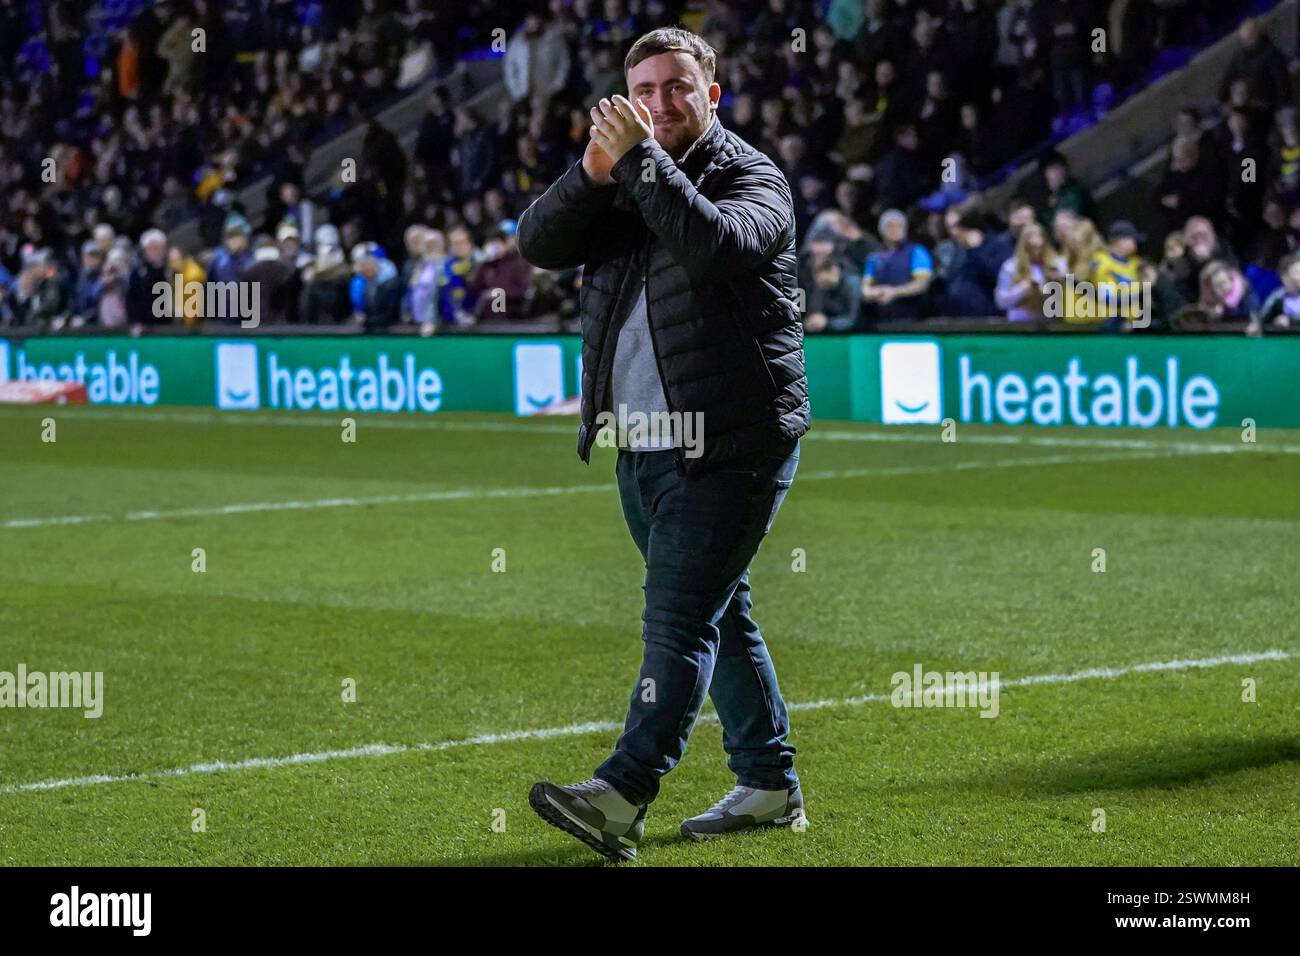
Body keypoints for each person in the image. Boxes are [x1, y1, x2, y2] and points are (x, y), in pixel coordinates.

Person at [517, 27, 809, 861]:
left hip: (734, 442)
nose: (660, 102)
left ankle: (623, 793)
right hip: (640, 444)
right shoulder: (622, 179)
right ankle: (768, 781)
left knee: (677, 620)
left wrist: (641, 163)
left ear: (712, 95)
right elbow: (537, 241)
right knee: (725, 614)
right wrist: (591, 173)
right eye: (644, 89)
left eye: (678, 86)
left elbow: (714, 249)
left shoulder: (754, 177)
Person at [862, 209, 933, 321]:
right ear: (882, 230)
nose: (895, 230)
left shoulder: (917, 252)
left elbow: (921, 284)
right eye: (890, 226)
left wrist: (894, 292)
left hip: (910, 317)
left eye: (900, 226)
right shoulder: (874, 257)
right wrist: (875, 293)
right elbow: (865, 287)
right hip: (880, 318)